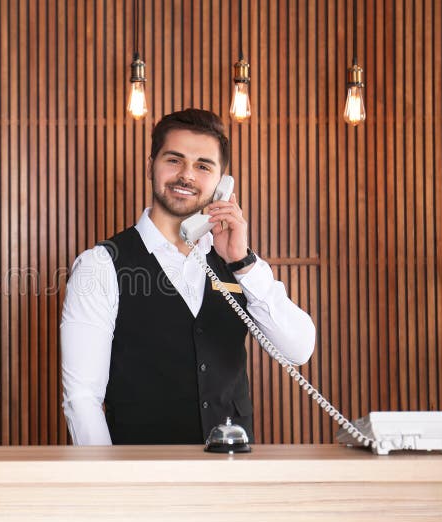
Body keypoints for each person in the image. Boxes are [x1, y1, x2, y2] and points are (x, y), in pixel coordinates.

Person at [60, 109, 316, 446]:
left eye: (203, 166)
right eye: (174, 160)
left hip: (231, 475)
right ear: (151, 165)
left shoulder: (237, 262)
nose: (187, 176)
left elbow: (299, 349)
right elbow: (82, 399)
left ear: (222, 182)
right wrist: (111, 484)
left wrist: (243, 263)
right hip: (143, 480)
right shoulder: (100, 265)